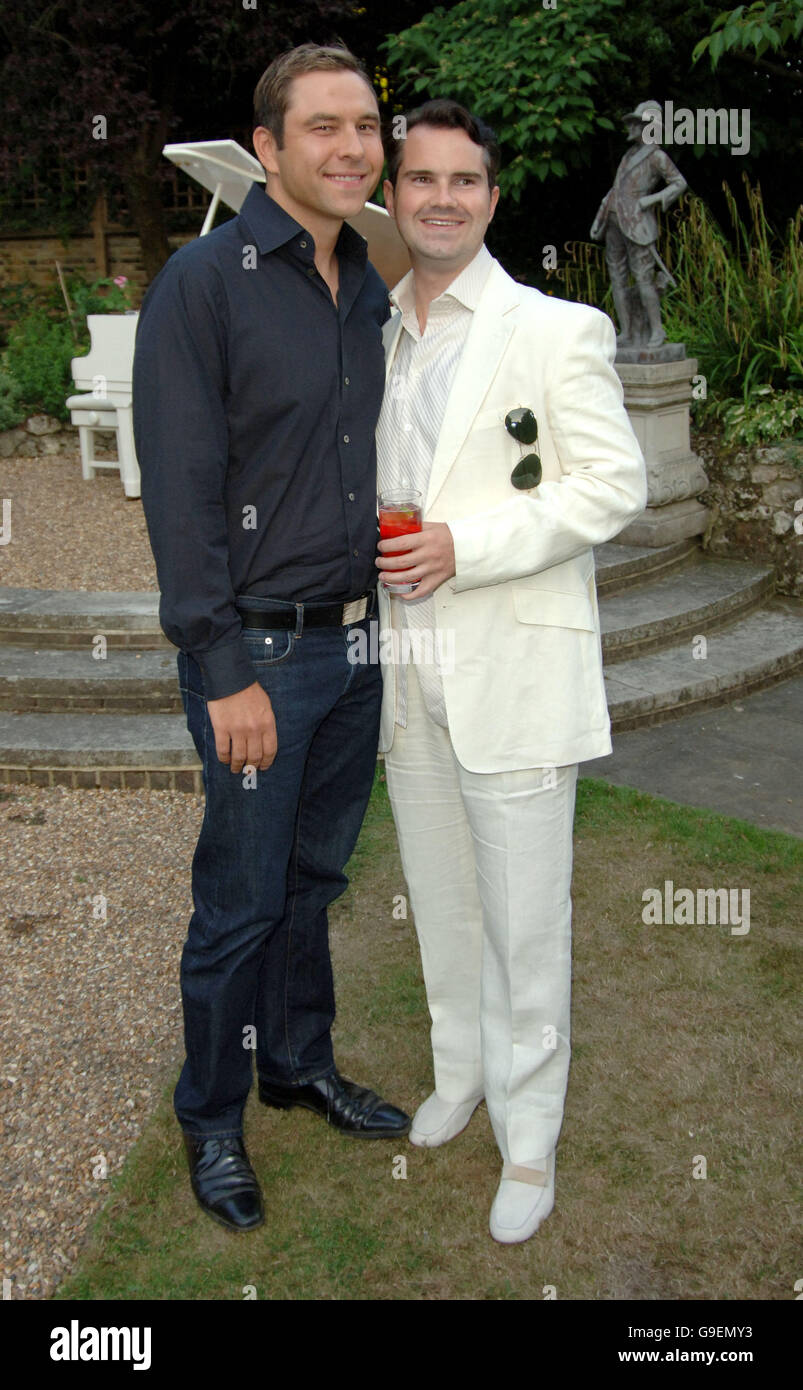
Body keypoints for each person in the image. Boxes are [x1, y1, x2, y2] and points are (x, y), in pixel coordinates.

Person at [132, 43, 410, 1235]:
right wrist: (222, 668)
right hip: (260, 658)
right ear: (268, 147)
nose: (350, 147)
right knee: (238, 903)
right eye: (322, 128)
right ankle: (211, 1114)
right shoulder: (204, 283)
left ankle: (297, 1064)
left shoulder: (369, 285)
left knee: (313, 882)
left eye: (364, 126)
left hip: (357, 653)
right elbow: (183, 495)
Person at [373, 100, 647, 1243]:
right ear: (391, 193)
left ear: (491, 197)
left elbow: (609, 485)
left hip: (517, 676)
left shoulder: (555, 326)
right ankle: (459, 1074)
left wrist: (465, 549)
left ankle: (527, 1142)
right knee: (440, 900)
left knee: (524, 925)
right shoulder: (373, 327)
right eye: (419, 178)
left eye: (463, 181)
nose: (440, 198)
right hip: (403, 671)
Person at [590, 99, 686, 348]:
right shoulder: (628, 155)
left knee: (643, 277)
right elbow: (616, 189)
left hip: (638, 225)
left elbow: (679, 183)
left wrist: (651, 200)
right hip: (614, 221)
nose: (631, 127)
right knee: (617, 277)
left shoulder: (657, 156)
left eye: (637, 123)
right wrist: (601, 215)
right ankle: (628, 332)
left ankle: (657, 330)